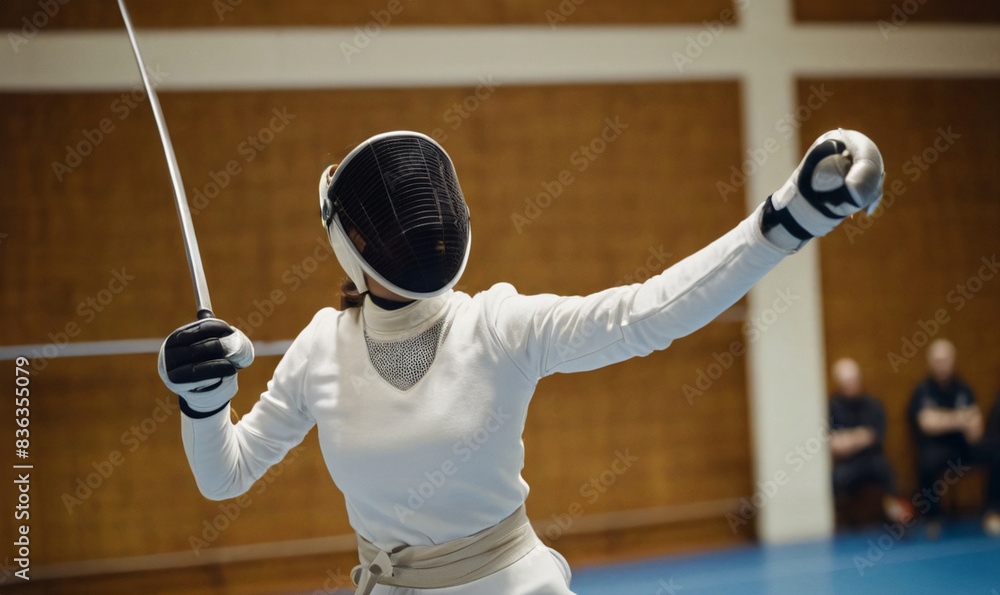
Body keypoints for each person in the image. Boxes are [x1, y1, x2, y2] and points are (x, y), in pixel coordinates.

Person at [158, 129, 885, 594]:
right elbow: (224, 474)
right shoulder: (323, 345)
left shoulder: (495, 324)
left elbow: (651, 311)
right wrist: (203, 402)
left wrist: (787, 219)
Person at [908, 339, 1000, 538]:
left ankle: (992, 512)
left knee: (996, 453)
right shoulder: (923, 389)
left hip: (963, 447)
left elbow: (976, 428)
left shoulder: (962, 388)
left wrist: (945, 419)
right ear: (930, 362)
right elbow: (928, 423)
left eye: (946, 359)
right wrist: (960, 418)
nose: (942, 364)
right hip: (935, 450)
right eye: (938, 360)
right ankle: (933, 518)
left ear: (953, 360)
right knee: (925, 463)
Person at [829, 358, 912, 524]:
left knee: (885, 471)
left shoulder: (873, 405)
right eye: (846, 382)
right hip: (846, 465)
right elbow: (835, 445)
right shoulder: (832, 407)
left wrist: (848, 439)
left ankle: (895, 517)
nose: (851, 385)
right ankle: (846, 523)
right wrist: (860, 435)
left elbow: (874, 436)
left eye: (853, 380)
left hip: (873, 460)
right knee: (836, 479)